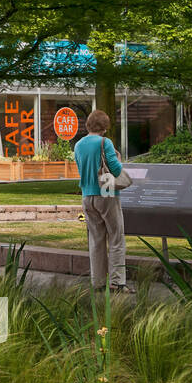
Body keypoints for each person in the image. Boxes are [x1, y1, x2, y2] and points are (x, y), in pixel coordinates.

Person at [73, 110, 133, 293]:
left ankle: (98, 282)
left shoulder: (78, 145)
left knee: (96, 239)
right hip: (106, 192)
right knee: (116, 237)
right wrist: (120, 159)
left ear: (88, 125)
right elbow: (115, 169)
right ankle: (117, 282)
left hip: (86, 195)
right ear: (105, 127)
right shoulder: (104, 143)